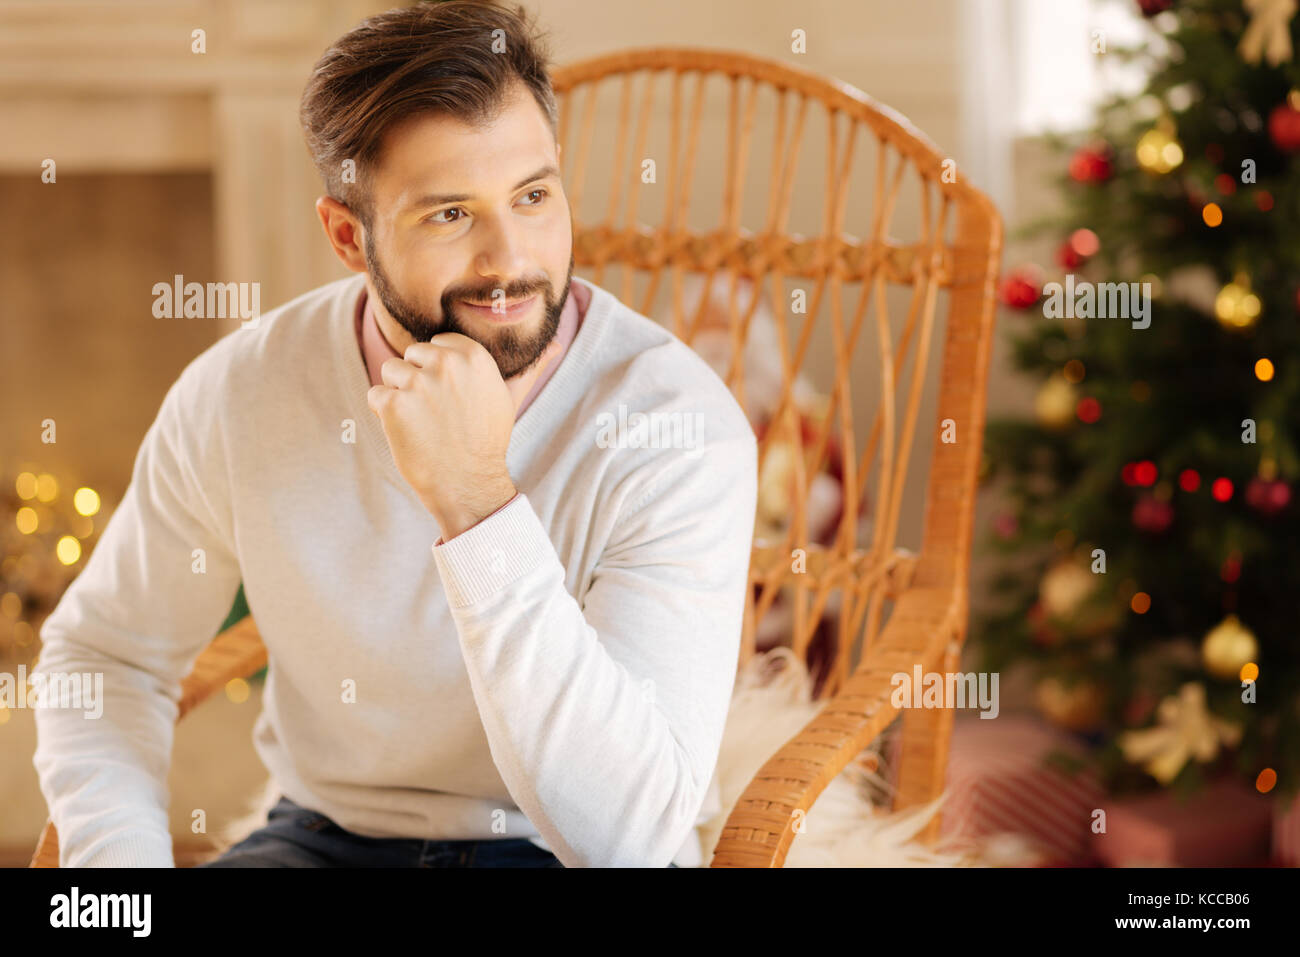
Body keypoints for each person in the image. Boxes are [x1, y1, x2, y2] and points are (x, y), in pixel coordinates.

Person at [30, 0, 756, 868]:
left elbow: (630, 837)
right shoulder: (243, 392)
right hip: (320, 838)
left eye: (533, 196)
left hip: (555, 851)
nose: (508, 258)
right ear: (347, 235)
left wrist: (477, 499)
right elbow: (105, 656)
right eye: (450, 214)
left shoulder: (676, 428)